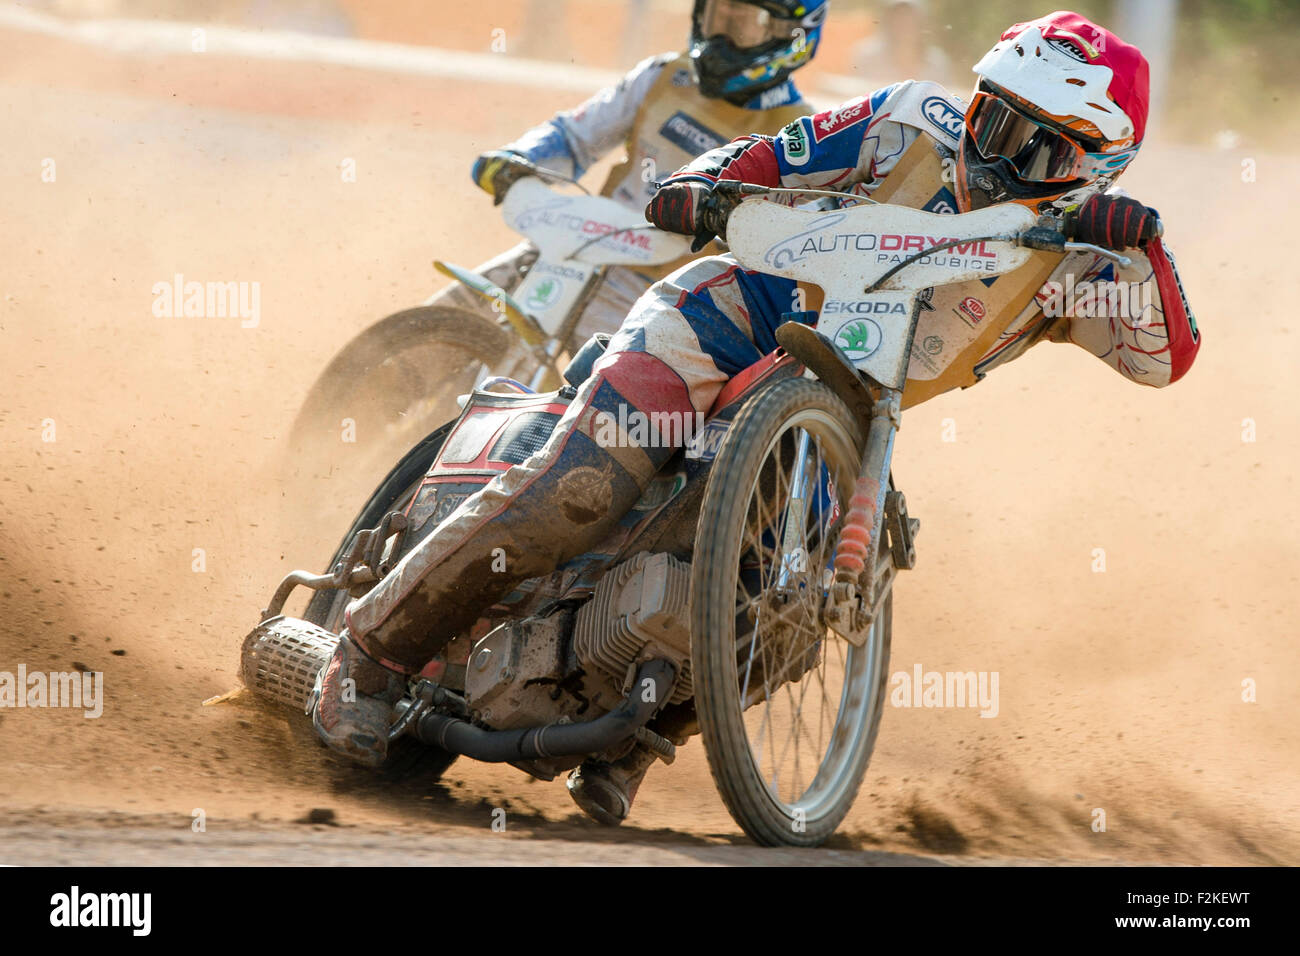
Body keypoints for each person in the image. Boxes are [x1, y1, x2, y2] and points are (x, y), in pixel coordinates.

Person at [312, 10, 1201, 826]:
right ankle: (365, 658)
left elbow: (1167, 360)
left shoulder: (1087, 264)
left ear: (1097, 164)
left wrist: (1146, 244)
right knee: (578, 487)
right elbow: (776, 155)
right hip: (722, 322)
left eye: (1033, 148)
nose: (995, 157)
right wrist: (700, 187)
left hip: (852, 413)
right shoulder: (910, 117)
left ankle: (636, 738)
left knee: (800, 610)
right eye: (991, 120)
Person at [448, 0, 829, 345]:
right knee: (445, 315)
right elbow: (572, 137)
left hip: (663, 294)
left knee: (600, 402)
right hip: (570, 244)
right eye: (718, 15)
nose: (721, 36)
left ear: (791, 36)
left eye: (743, 21)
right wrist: (518, 157)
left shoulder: (797, 134)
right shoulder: (662, 75)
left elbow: (792, 250)